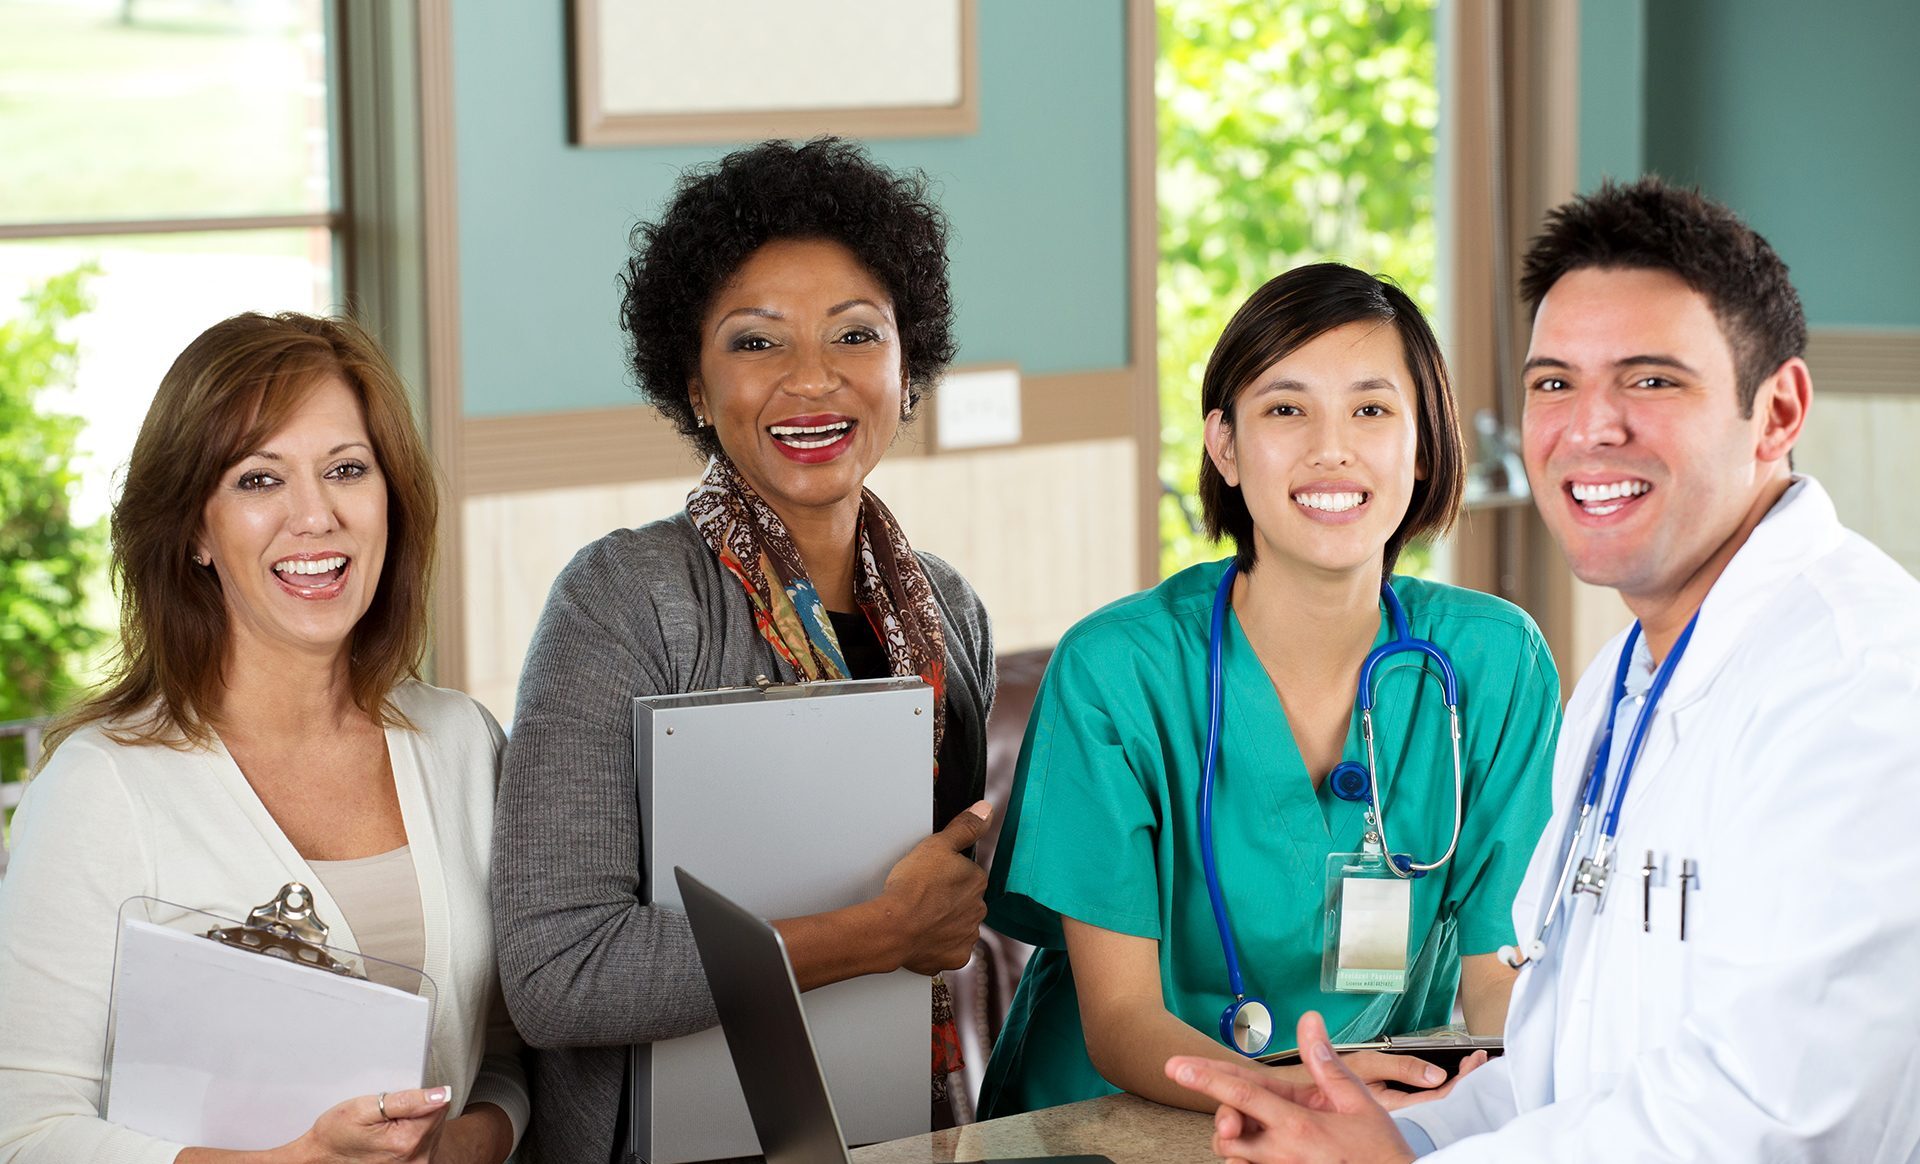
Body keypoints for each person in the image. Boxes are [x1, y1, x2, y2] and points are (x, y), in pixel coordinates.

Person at [1167, 179, 1920, 1162]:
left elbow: (1776, 1114)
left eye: (1651, 381)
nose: (1590, 427)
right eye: (1554, 382)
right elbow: (1560, 1069)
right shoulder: (1622, 679)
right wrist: (1389, 1132)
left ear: (1776, 411)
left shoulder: (1858, 686)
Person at [491, 137, 997, 1162]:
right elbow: (557, 976)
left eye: (856, 336)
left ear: (908, 372)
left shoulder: (949, 612)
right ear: (692, 385)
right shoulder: (621, 602)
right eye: (757, 344)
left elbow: (958, 902)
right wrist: (876, 937)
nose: (813, 382)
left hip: (897, 1131)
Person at [978, 263, 1560, 1118]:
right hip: (1111, 1122)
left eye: (1372, 409)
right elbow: (1119, 1019)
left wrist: (1517, 1106)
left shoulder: (1496, 662)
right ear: (1225, 446)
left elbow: (1500, 978)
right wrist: (1298, 1092)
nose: (1332, 448)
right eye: (1286, 409)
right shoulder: (1117, 670)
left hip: (1367, 1123)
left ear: (1423, 444)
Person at [0, 313, 527, 1163]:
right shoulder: (100, 786)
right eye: (258, 480)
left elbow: (507, 1051)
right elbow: (23, 1133)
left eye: (346, 470)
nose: (314, 516)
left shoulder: (463, 744)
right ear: (196, 531)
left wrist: (453, 1149)